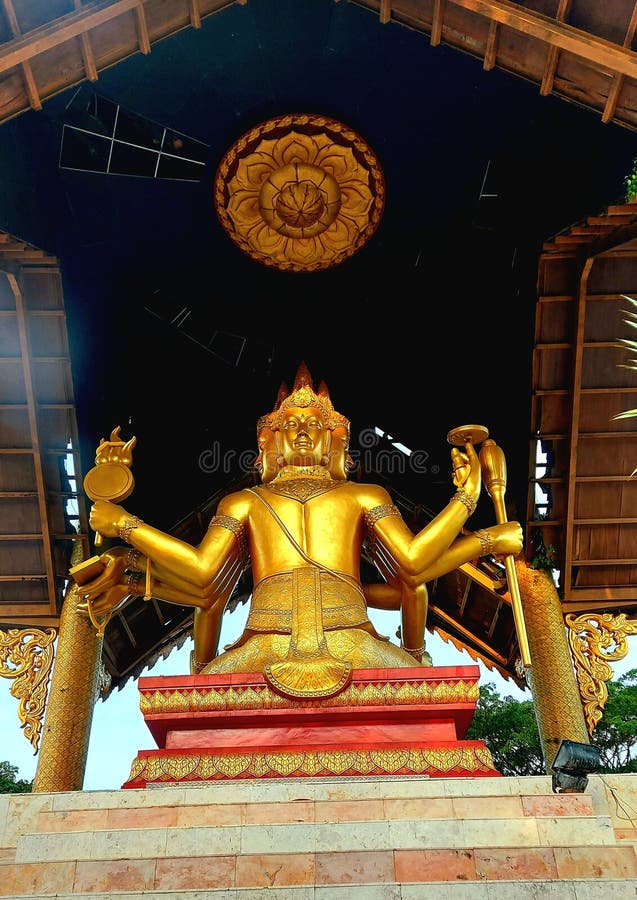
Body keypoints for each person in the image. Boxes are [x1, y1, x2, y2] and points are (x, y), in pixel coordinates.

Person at [77, 363, 523, 699]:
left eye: (315, 426)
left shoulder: (363, 496)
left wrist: (468, 498)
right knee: (196, 696)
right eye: (291, 426)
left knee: (431, 688)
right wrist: (128, 543)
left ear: (335, 440)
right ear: (269, 441)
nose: (304, 434)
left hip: (353, 641)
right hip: (265, 646)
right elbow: (203, 578)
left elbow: (412, 565)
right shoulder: (244, 503)